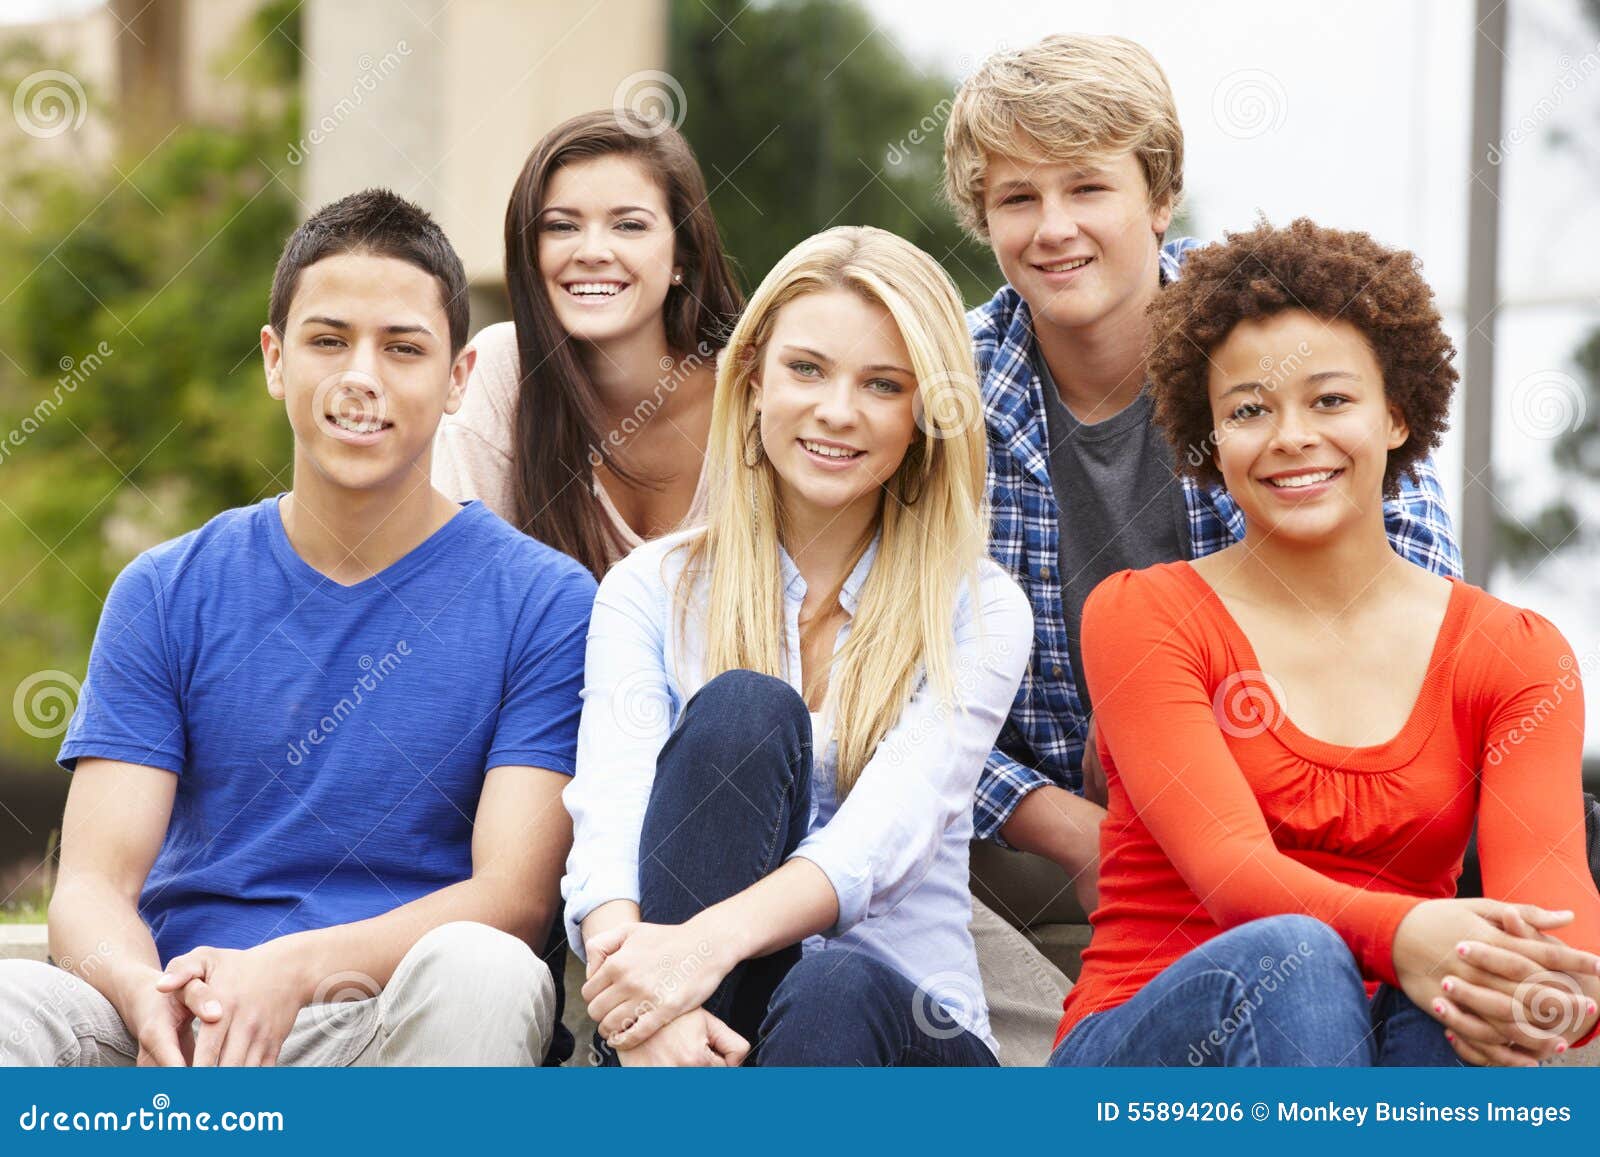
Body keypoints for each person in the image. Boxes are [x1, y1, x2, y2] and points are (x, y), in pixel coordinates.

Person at [0, 189, 595, 1068]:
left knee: (488, 969)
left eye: (402, 347)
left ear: (459, 378)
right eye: (328, 340)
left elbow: (512, 899)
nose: (362, 376)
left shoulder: (544, 602)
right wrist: (143, 992)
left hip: (385, 1024)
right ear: (276, 359)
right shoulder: (166, 590)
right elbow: (91, 886)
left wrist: (288, 970)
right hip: (175, 1017)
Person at [1050, 219, 1600, 1067]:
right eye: (1248, 410)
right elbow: (1233, 872)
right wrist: (1413, 930)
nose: (1290, 436)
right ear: (1211, 435)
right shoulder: (1143, 616)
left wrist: (1544, 993)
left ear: (1396, 415)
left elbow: (1555, 921)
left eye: (1331, 400)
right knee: (1299, 958)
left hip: (1384, 1046)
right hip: (1151, 1052)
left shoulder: (1516, 656)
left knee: (1468, 1009)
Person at [940, 36, 1461, 916]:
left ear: (1161, 196)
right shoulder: (937, 388)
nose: (1053, 227)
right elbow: (872, 664)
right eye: (1018, 197)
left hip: (1299, 811)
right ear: (984, 218)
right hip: (1043, 862)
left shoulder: (1284, 340)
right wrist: (1058, 822)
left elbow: (1413, 597)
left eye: (1088, 187)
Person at [562, 226, 1032, 1066]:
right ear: (751, 379)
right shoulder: (648, 588)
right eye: (806, 368)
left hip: (906, 1045)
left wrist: (695, 952)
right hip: (705, 1036)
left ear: (928, 413)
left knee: (834, 985)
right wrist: (651, 1008)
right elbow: (611, 816)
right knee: (744, 711)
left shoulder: (982, 609)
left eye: (882, 384)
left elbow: (880, 841)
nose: (837, 411)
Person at [431, 109, 744, 578]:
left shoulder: (751, 391)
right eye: (561, 226)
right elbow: (463, 585)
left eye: (629, 226)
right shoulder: (501, 369)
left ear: (683, 254)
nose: (592, 251)